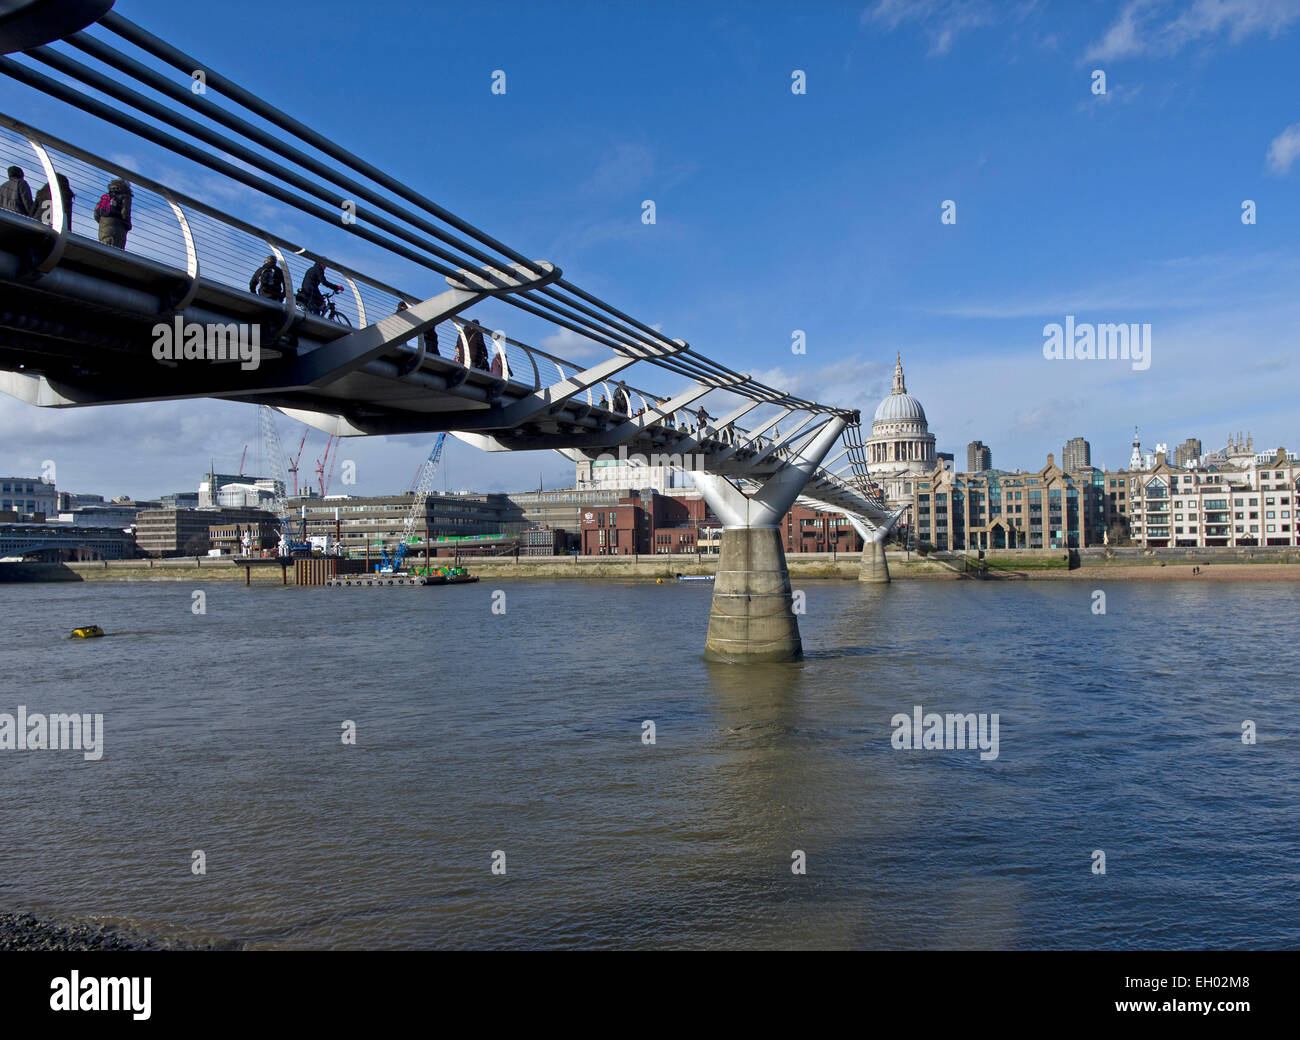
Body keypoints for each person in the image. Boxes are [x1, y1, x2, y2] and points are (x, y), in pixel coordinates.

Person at [93, 178, 132, 248]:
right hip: (117, 226)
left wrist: (103, 221)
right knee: (116, 249)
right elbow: (125, 213)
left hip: (103, 226)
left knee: (104, 247)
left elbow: (96, 213)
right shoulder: (125, 196)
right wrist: (128, 225)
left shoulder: (107, 196)